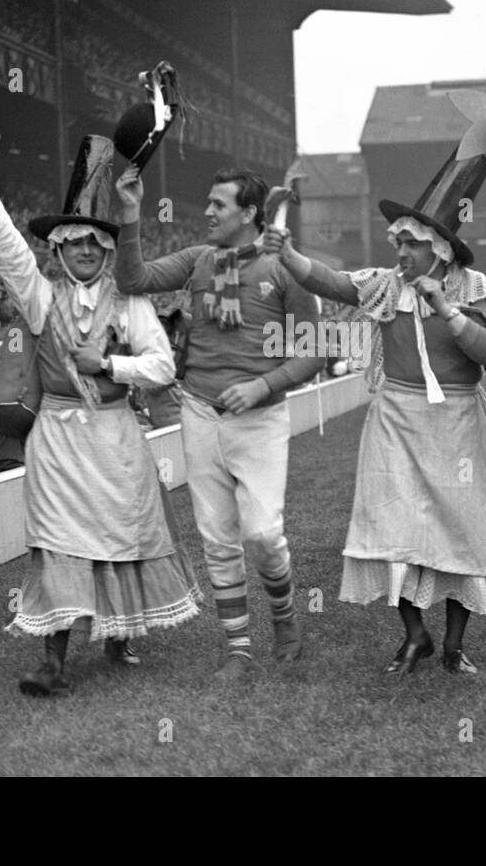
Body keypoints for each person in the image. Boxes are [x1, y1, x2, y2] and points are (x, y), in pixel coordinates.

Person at [261, 153, 486, 674]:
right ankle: (415, 636)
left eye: (412, 244)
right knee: (392, 529)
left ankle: (454, 644)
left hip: (459, 423)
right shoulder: (386, 284)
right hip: (396, 419)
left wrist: (446, 310)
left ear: (441, 249)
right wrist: (290, 253)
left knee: (465, 529)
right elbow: (329, 282)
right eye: (399, 242)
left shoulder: (477, 291)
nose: (401, 251)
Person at [0, 129, 200, 695]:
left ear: (109, 250)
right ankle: (53, 662)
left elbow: (164, 367)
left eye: (96, 244)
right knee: (58, 539)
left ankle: (120, 634)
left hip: (117, 435)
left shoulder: (132, 302)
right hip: (57, 439)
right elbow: (3, 246)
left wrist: (111, 367)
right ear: (59, 249)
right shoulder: (40, 296)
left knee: (122, 532)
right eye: (75, 243)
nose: (86, 251)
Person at [113, 162, 325, 679]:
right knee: (217, 537)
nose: (206, 212)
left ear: (249, 213)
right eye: (208, 203)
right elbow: (132, 278)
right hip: (199, 411)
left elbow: (317, 350)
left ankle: (285, 615)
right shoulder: (198, 260)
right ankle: (238, 648)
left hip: (261, 419)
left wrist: (262, 385)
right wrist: (130, 213)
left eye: (218, 204)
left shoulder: (285, 270)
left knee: (264, 534)